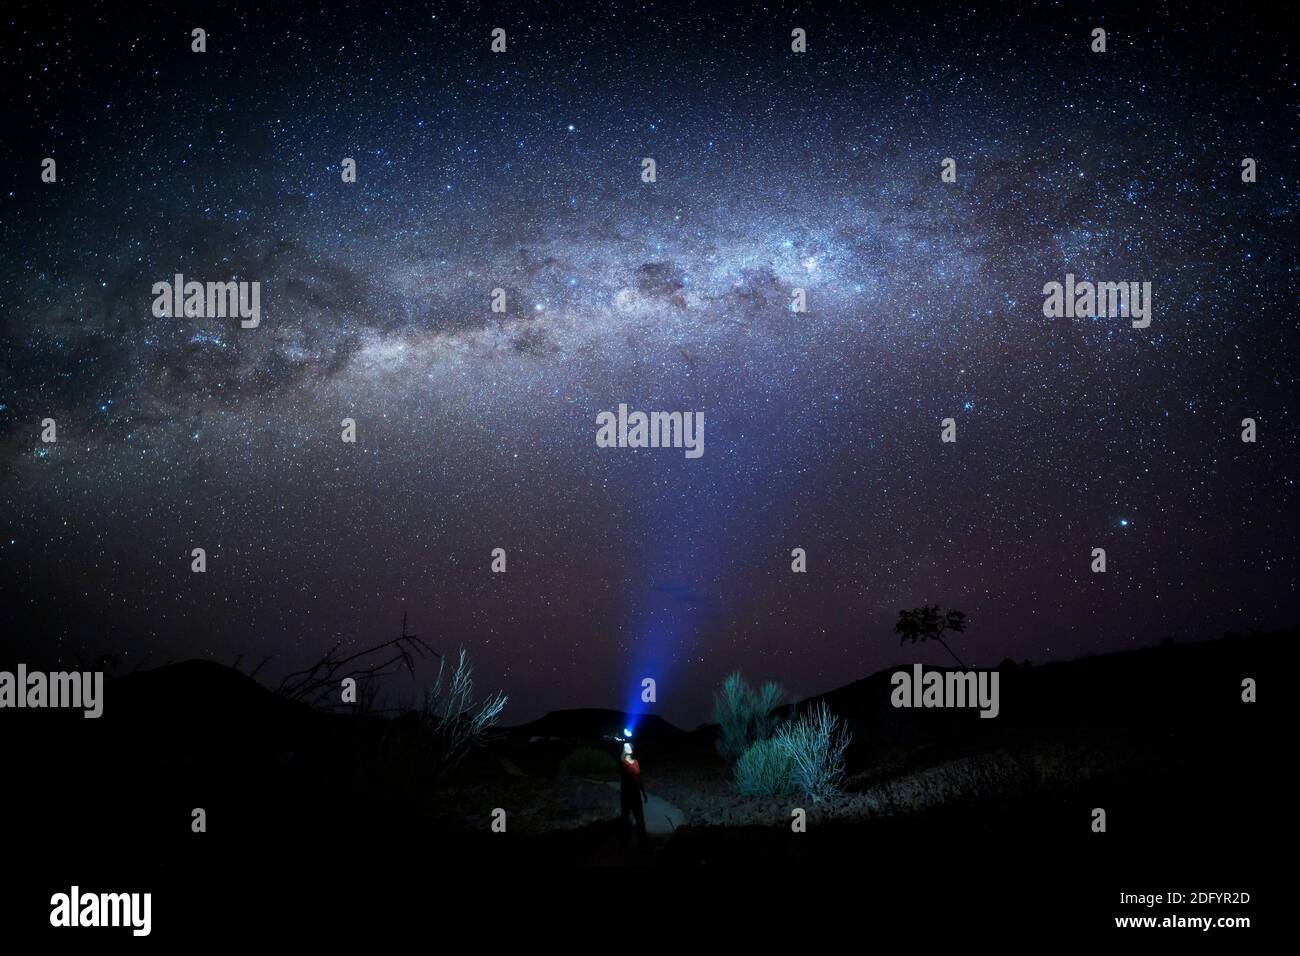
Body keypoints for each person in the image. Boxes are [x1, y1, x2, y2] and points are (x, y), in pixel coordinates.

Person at [618, 741, 648, 853]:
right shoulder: (623, 763)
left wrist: (643, 792)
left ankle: (643, 845)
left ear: (632, 749)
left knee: (640, 820)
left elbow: (639, 779)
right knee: (625, 820)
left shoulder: (636, 762)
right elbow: (624, 778)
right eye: (625, 747)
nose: (626, 748)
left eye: (628, 747)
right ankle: (624, 846)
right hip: (626, 795)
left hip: (636, 795)